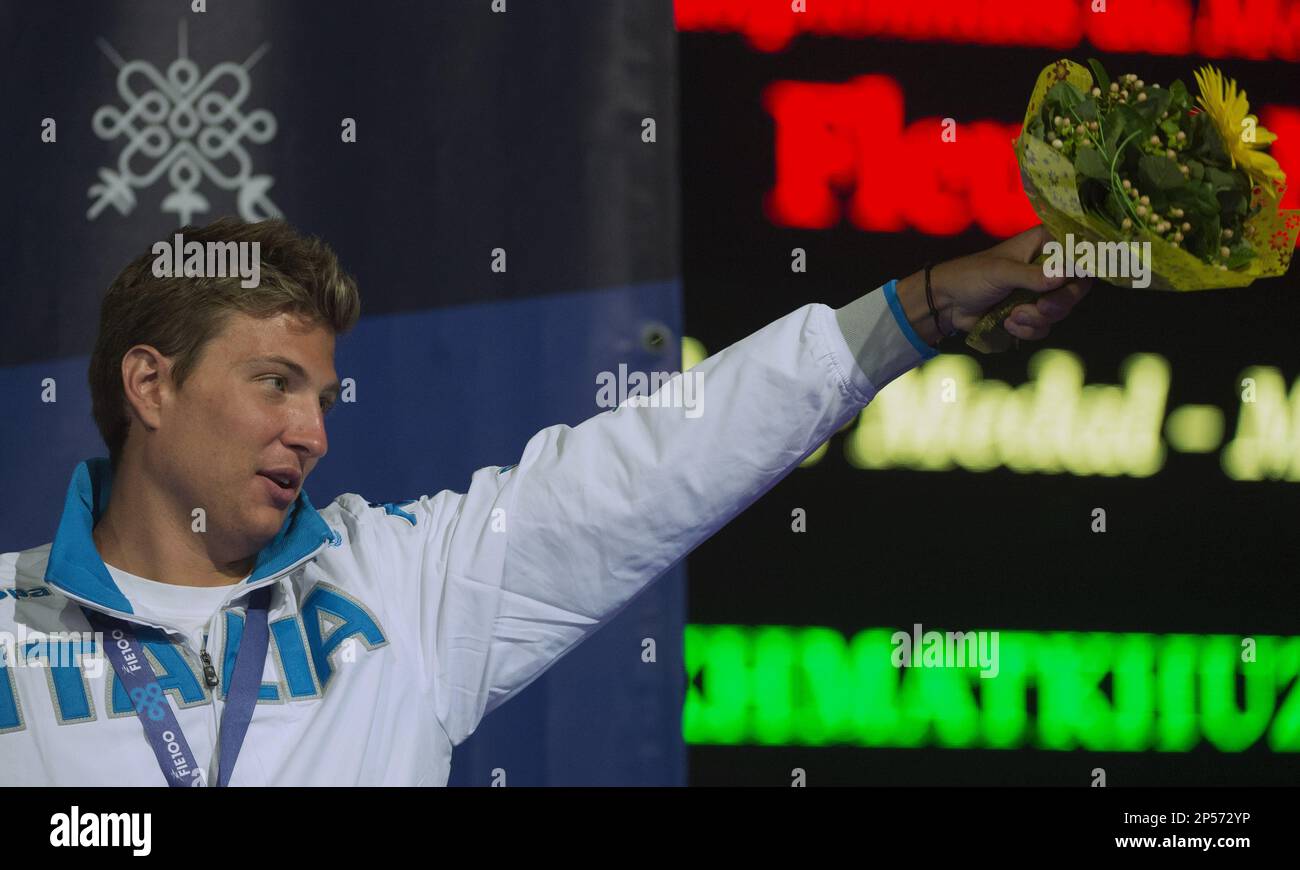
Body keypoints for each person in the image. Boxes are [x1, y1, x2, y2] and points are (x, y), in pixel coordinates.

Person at [0, 217, 1090, 786]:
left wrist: (923, 310)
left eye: (324, 396)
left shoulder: (399, 591)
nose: (314, 433)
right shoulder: (11, 634)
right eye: (274, 384)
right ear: (151, 384)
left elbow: (655, 463)